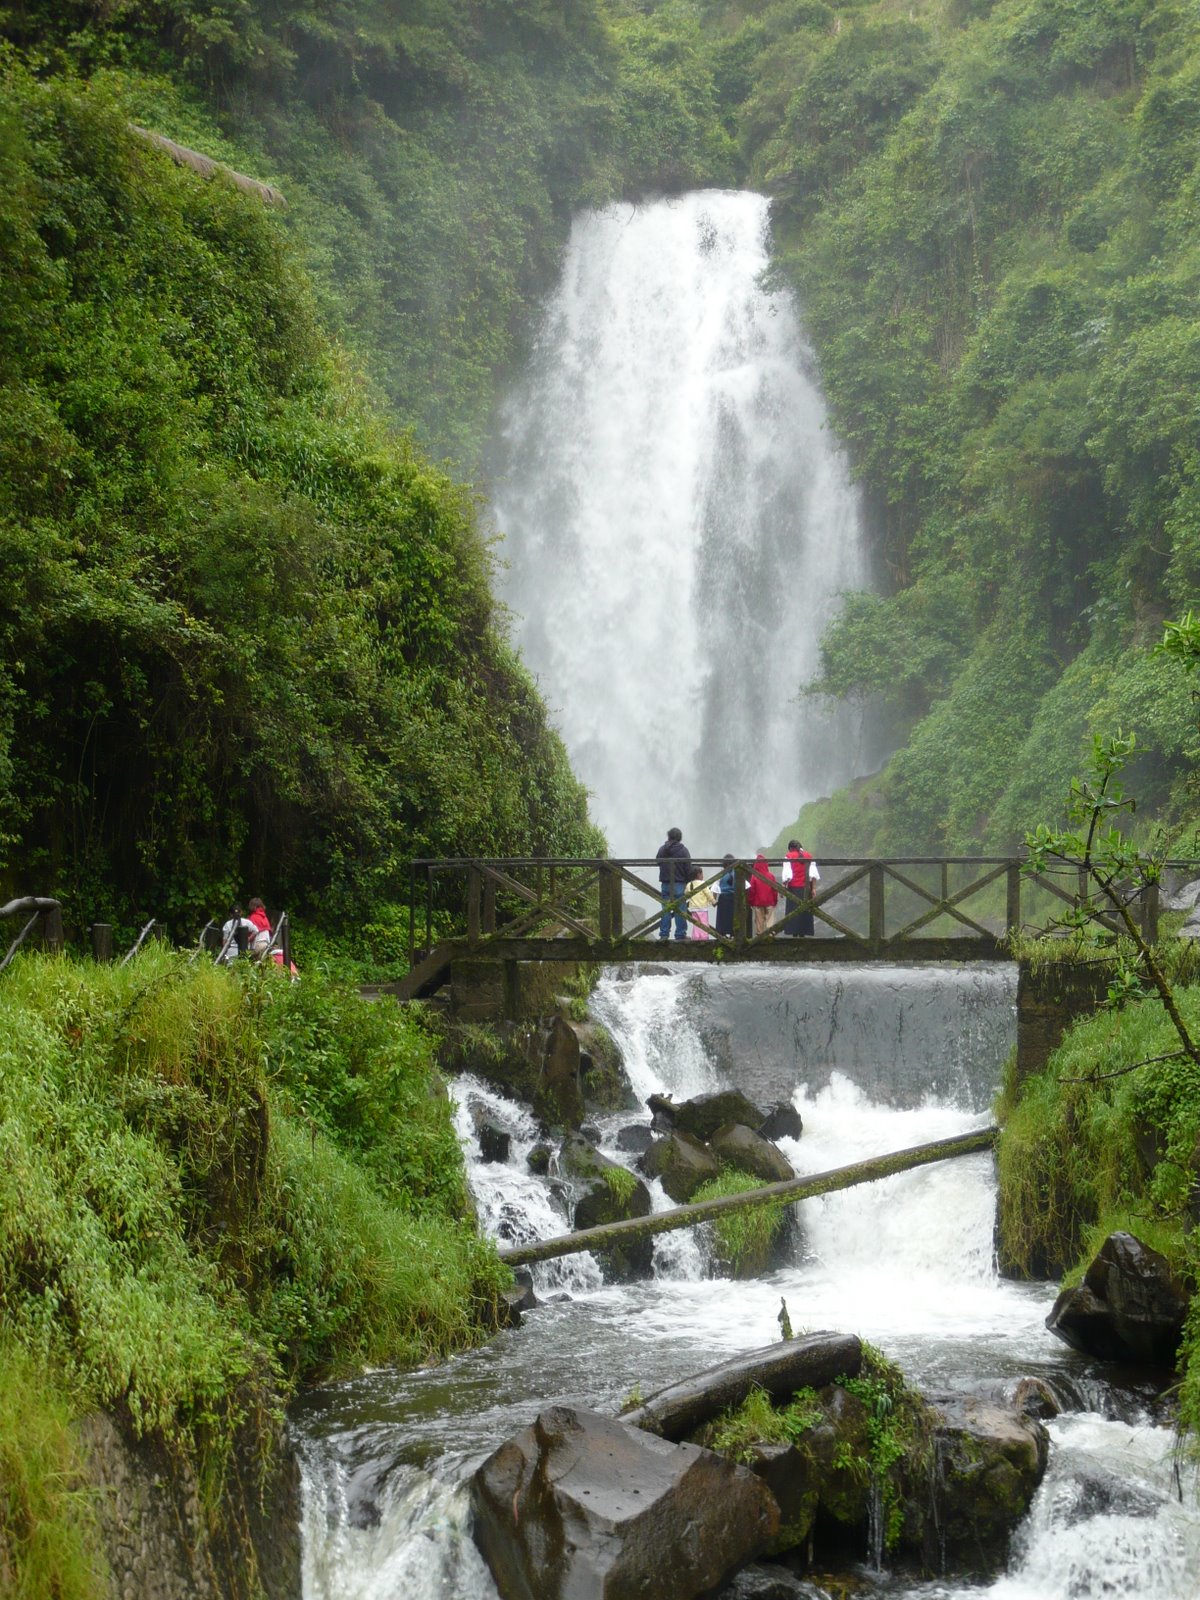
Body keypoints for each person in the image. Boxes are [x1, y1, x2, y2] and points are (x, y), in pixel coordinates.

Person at [656, 826, 692, 940]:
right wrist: (689, 881)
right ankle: (680, 934)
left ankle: (664, 934)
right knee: (681, 910)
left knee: (665, 909)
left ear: (669, 836)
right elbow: (688, 869)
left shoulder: (662, 849)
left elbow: (658, 862)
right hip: (679, 884)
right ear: (680, 838)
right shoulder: (683, 850)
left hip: (665, 884)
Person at [780, 840, 817, 937]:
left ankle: (794, 934)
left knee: (794, 912)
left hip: (794, 889)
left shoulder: (789, 856)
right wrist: (813, 889)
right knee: (805, 911)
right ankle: (803, 934)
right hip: (806, 889)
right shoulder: (809, 856)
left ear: (790, 848)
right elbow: (813, 875)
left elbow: (787, 875)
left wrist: (783, 887)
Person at [746, 851, 778, 938]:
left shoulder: (754, 876)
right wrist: (775, 900)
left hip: (758, 902)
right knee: (769, 919)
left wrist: (751, 901)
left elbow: (752, 890)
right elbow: (775, 889)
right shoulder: (771, 876)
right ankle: (770, 934)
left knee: (759, 920)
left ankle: (759, 935)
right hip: (769, 901)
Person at [686, 865, 716, 940]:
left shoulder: (689, 884)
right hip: (702, 908)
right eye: (702, 874)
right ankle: (704, 938)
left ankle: (696, 938)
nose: (703, 875)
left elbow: (686, 894)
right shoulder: (703, 883)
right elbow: (708, 894)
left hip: (693, 908)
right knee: (704, 924)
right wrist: (713, 901)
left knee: (696, 924)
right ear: (698, 874)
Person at [715, 853, 737, 938]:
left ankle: (721, 934)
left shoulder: (722, 874)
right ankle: (733, 934)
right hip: (733, 897)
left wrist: (714, 899)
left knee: (722, 917)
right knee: (733, 916)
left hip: (723, 898)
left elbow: (715, 887)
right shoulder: (736, 873)